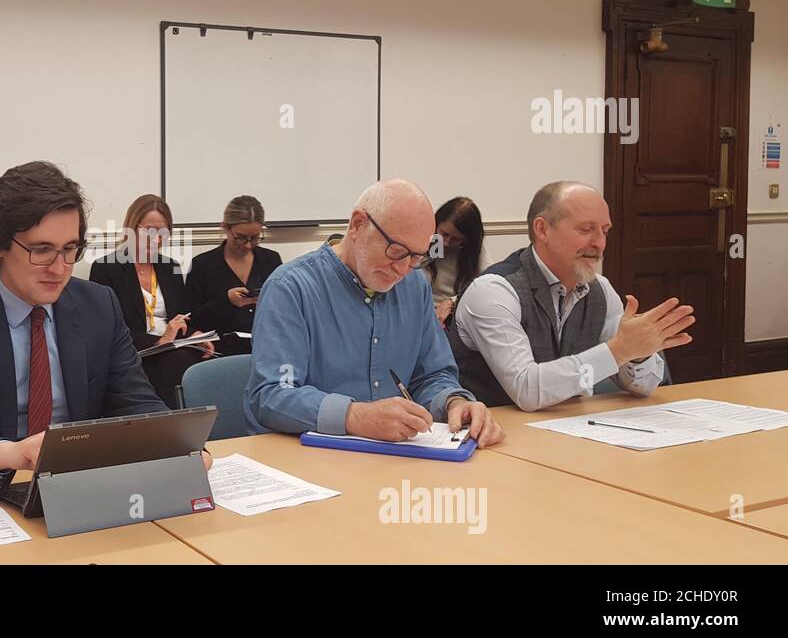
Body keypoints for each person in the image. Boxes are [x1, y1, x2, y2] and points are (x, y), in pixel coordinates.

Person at [0, 163, 207, 505]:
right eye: (41, 250)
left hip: (78, 494)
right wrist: (9, 454)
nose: (59, 269)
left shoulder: (98, 306)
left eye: (70, 249)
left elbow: (136, 401)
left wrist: (180, 447)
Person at [245, 179, 504, 448]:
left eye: (416, 256)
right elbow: (273, 394)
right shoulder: (291, 288)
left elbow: (431, 375)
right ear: (357, 225)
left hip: (391, 458)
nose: (403, 269)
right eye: (397, 251)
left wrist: (454, 402)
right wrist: (355, 416)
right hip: (306, 459)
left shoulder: (414, 286)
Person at [449, 181, 694, 411]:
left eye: (605, 231)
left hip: (568, 429)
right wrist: (619, 350)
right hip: (490, 437)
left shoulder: (600, 289)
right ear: (542, 229)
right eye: (586, 229)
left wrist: (638, 355)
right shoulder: (493, 290)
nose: (599, 243)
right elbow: (527, 389)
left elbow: (646, 386)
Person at [88, 194, 214, 408]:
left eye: (162, 233)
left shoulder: (170, 267)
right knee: (176, 363)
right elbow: (105, 330)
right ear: (131, 228)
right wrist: (159, 341)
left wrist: (194, 335)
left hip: (174, 348)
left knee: (206, 365)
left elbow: (183, 316)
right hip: (135, 352)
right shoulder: (106, 268)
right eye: (149, 231)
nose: (156, 239)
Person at [185, 195, 283, 356]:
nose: (248, 244)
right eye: (241, 238)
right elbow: (194, 320)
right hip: (219, 353)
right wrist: (227, 301)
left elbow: (283, 310)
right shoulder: (203, 264)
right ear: (225, 227)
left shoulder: (270, 260)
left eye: (255, 238)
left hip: (266, 349)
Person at [423, 196, 485, 326]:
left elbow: (485, 288)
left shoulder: (473, 251)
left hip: (456, 315)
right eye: (444, 234)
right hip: (423, 311)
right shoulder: (430, 241)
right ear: (436, 224)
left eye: (457, 239)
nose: (447, 242)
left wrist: (452, 302)